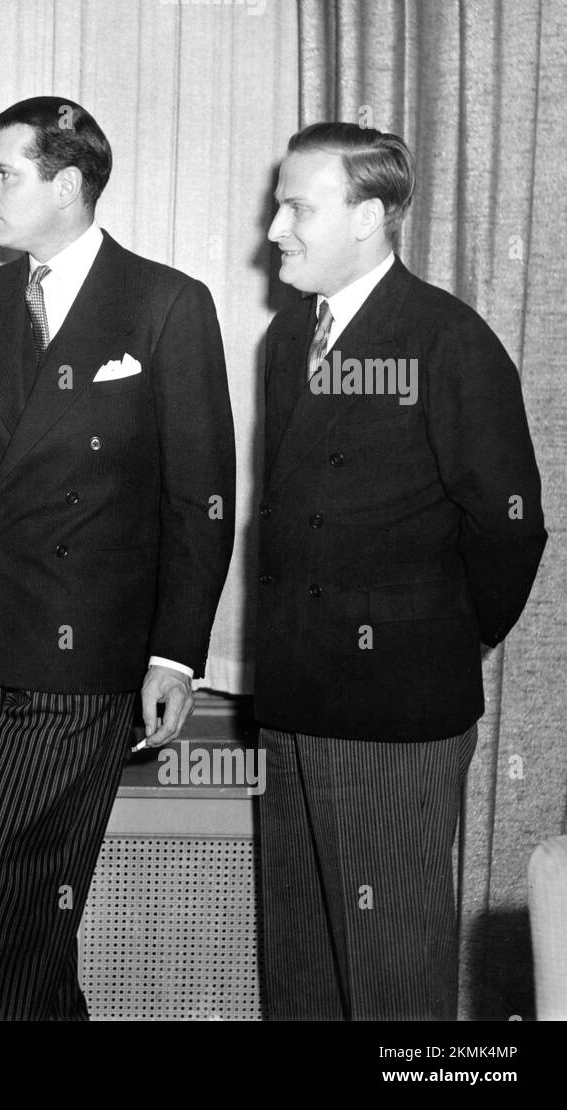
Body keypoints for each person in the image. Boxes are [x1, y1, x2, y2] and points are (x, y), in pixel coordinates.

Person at [0, 96, 236, 1020]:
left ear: (66, 185)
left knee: (12, 900)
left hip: (85, 657)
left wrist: (176, 653)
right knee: (15, 910)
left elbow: (201, 498)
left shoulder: (167, 302)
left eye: (1, 173)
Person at [256, 122, 546, 1020]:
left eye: (297, 208)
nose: (274, 229)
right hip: (294, 702)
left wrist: (443, 640)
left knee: (392, 986)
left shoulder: (448, 341)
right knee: (300, 974)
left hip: (396, 714)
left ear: (369, 215)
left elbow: (510, 527)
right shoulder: (288, 339)